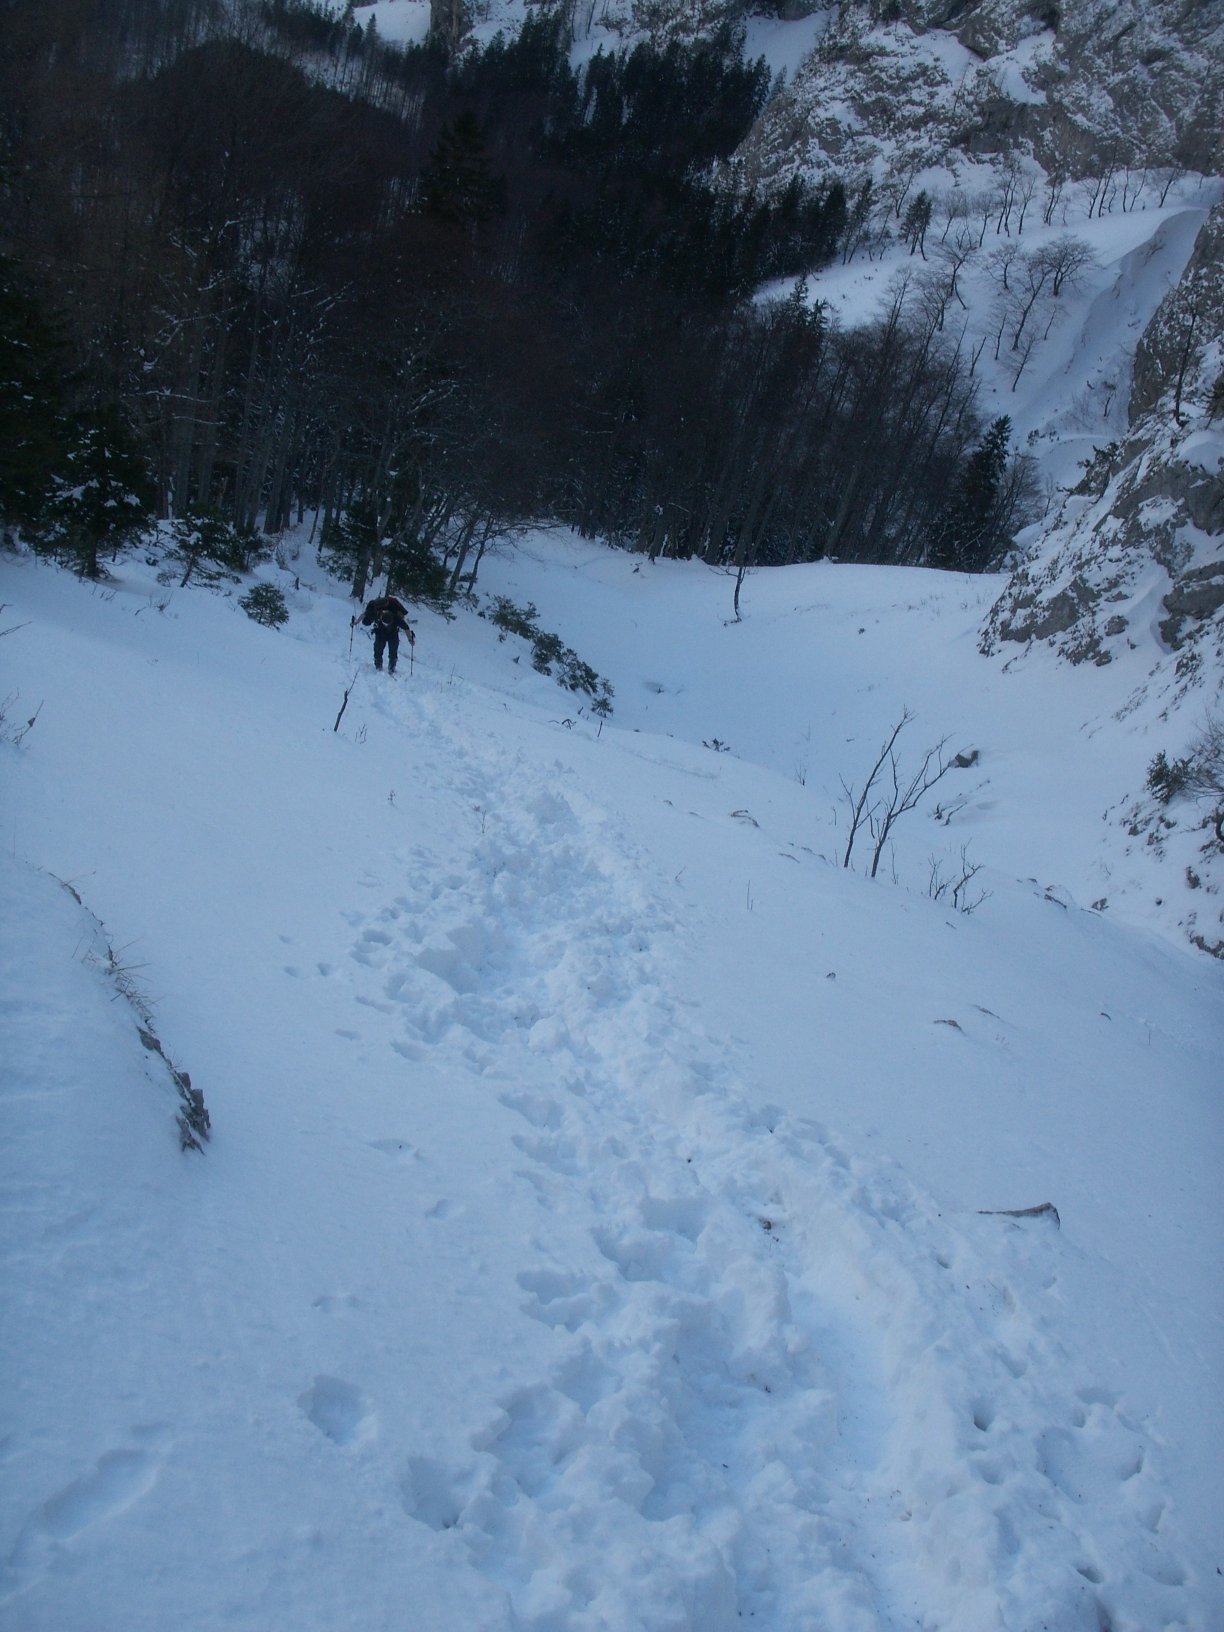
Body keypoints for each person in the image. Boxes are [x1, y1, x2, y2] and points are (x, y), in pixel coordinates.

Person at [355, 593, 415, 674]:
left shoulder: (396, 618)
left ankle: (391, 668)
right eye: (384, 623)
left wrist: (410, 640)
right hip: (380, 633)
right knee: (378, 649)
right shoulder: (376, 613)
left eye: (388, 623)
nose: (386, 625)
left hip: (393, 633)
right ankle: (378, 666)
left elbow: (406, 628)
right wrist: (355, 623)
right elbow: (365, 614)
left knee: (393, 651)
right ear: (380, 618)